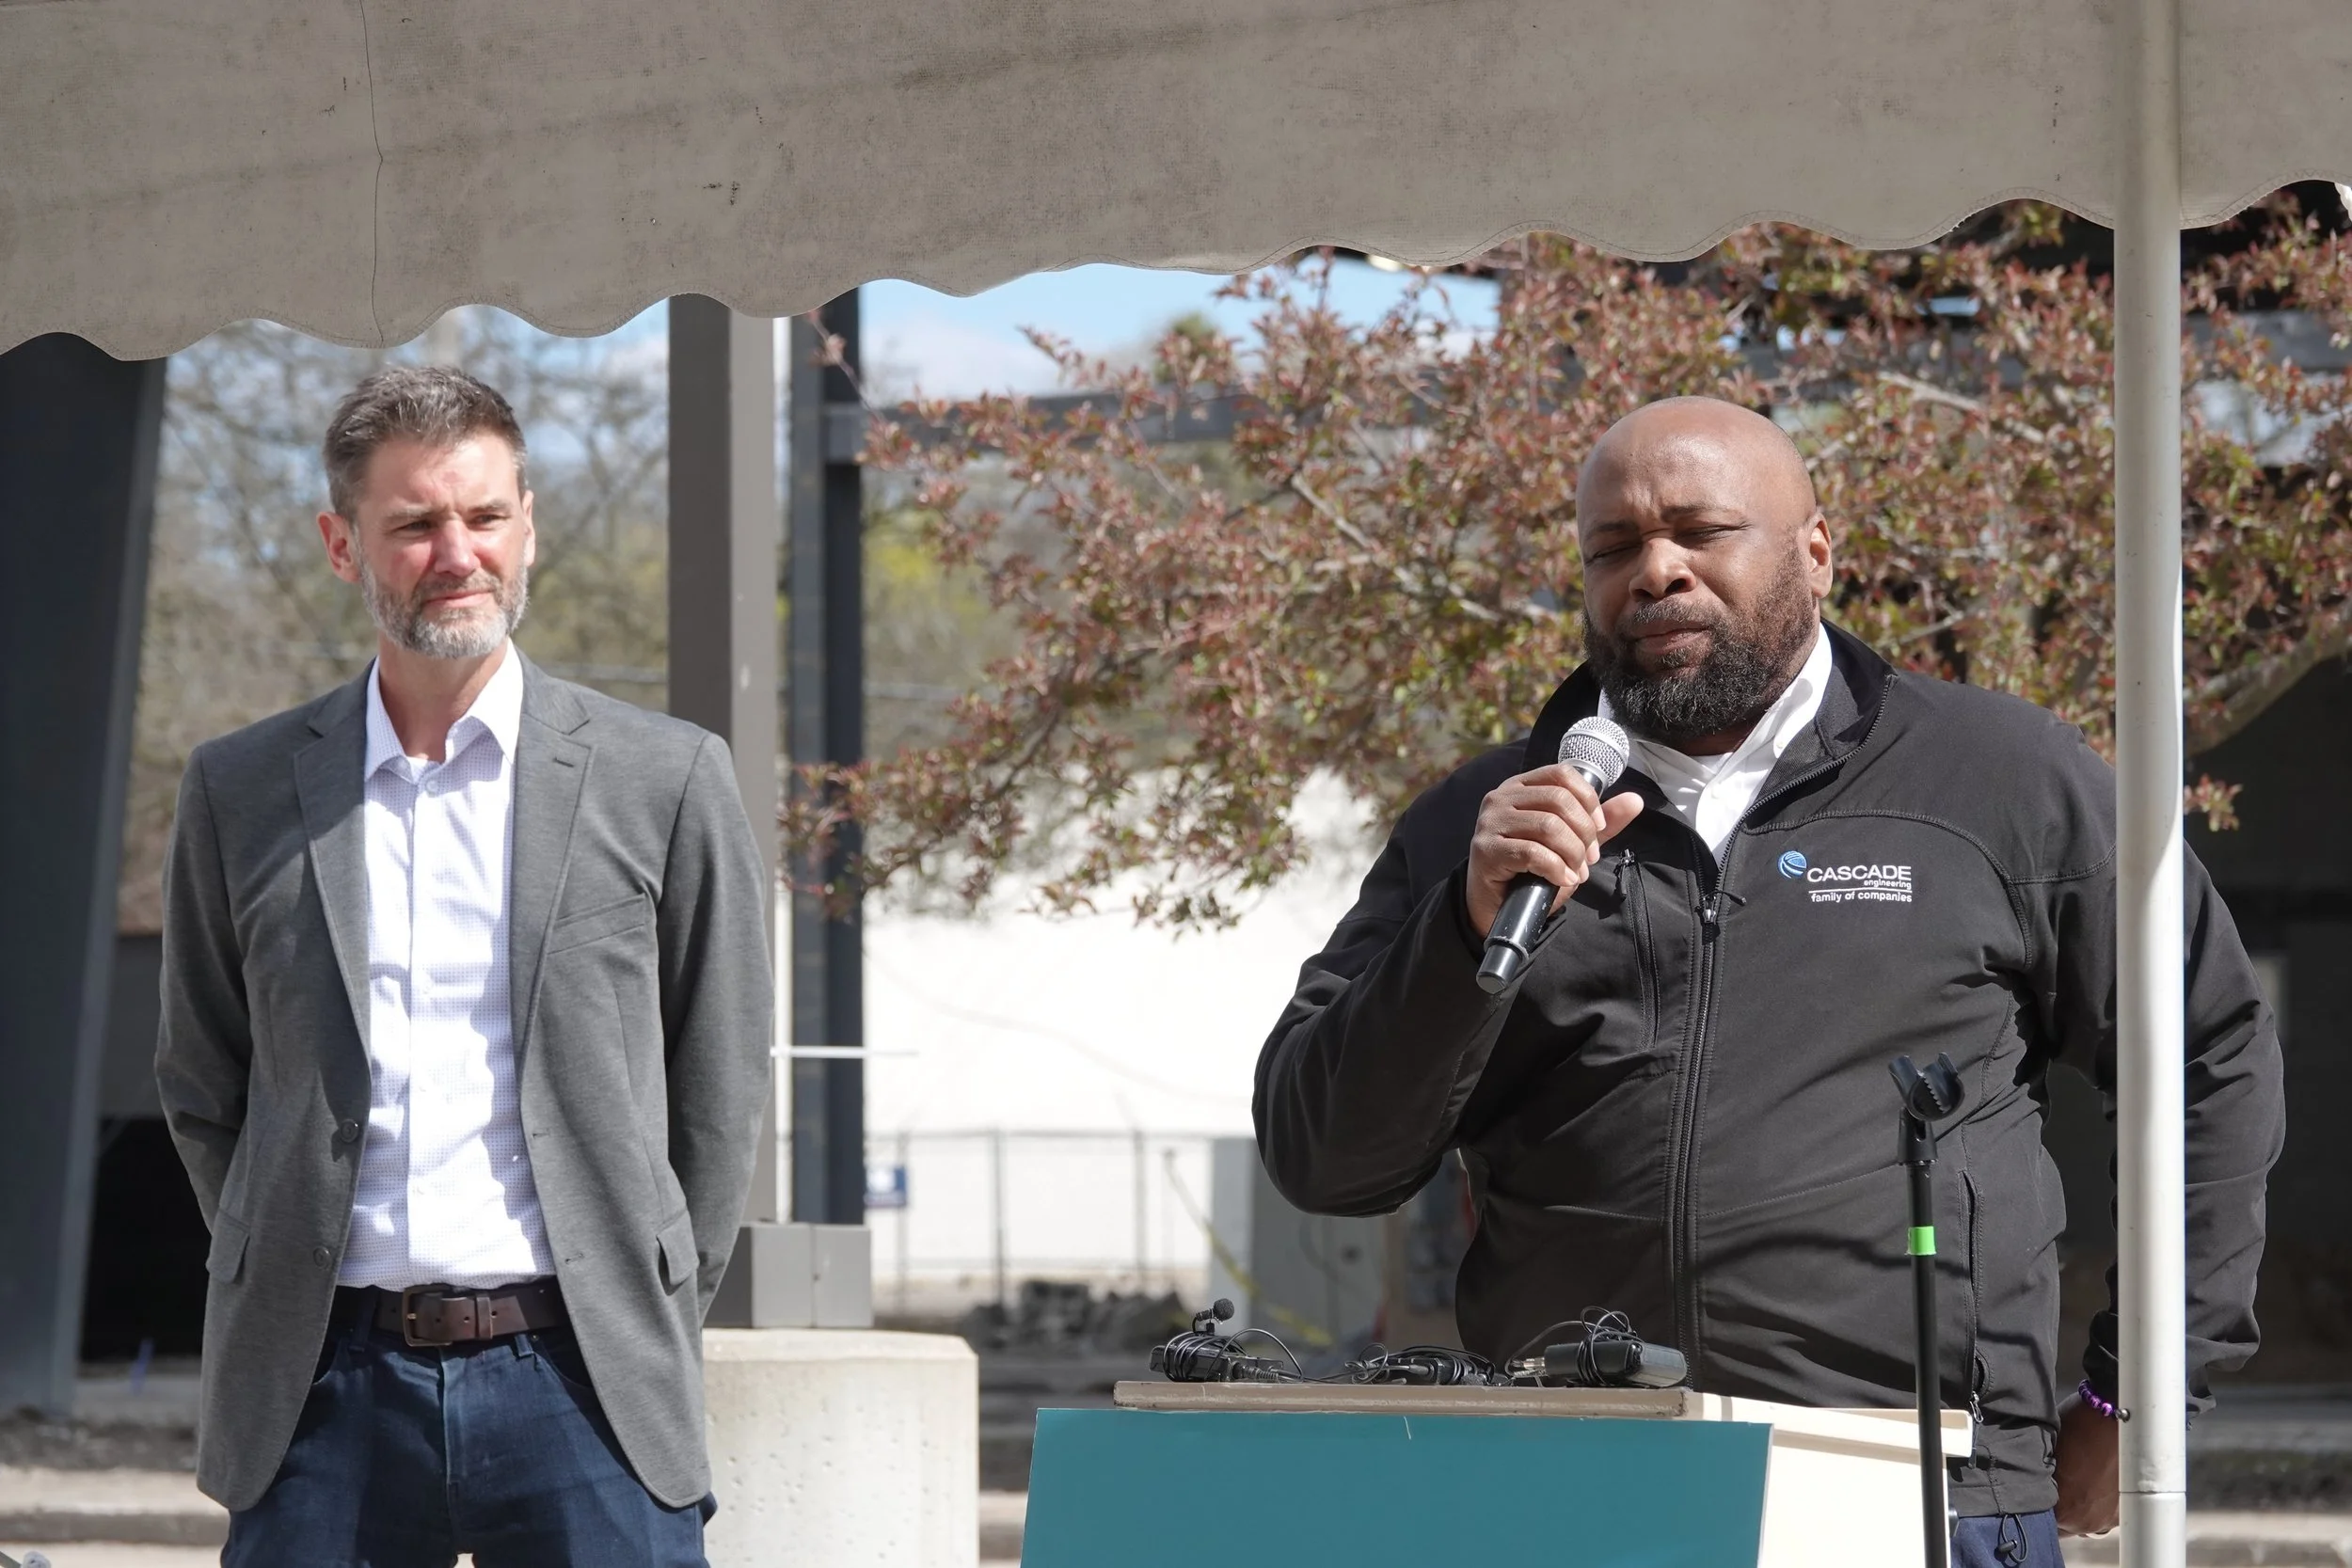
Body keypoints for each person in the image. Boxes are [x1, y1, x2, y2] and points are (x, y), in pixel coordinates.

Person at [1255, 397, 2283, 1564]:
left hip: (1923, 1490)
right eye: (1612, 548)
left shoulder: (2000, 778)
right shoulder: (1485, 827)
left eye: (1700, 531)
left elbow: (2212, 1056)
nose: (1654, 573)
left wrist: (2136, 1390)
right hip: (1572, 1487)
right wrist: (1462, 926)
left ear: (1815, 551)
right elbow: (1323, 1154)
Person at [155, 366, 773, 1567]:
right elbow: (201, 1080)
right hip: (321, 1390)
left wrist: (641, 1290)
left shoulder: (665, 779)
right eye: (415, 524)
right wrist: (278, 1261)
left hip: (586, 1384)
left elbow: (720, 1079)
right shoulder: (240, 790)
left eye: (485, 516)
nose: (458, 552)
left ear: (527, 523)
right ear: (343, 544)